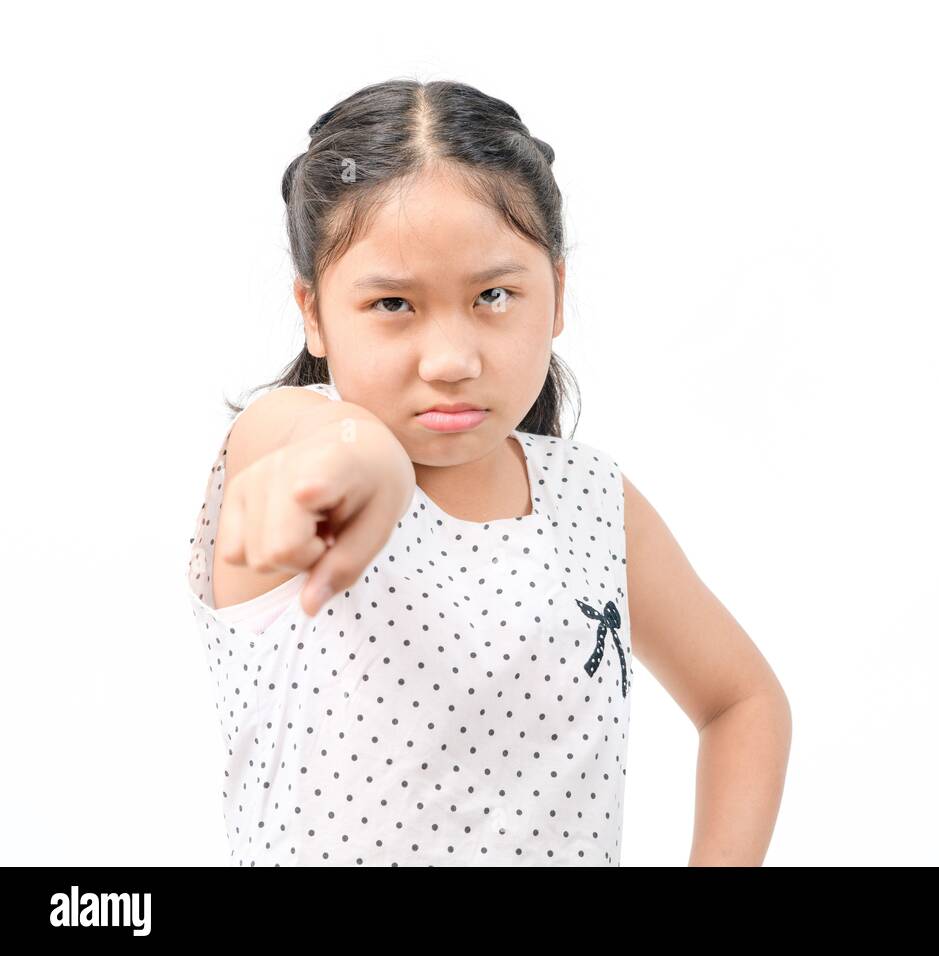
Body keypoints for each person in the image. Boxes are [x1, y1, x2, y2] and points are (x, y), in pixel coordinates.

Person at [184, 78, 791, 866]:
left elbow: (743, 703)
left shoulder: (592, 500)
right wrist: (368, 465)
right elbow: (312, 444)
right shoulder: (280, 451)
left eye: (494, 295)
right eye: (394, 305)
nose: (451, 360)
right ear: (313, 312)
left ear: (558, 294)